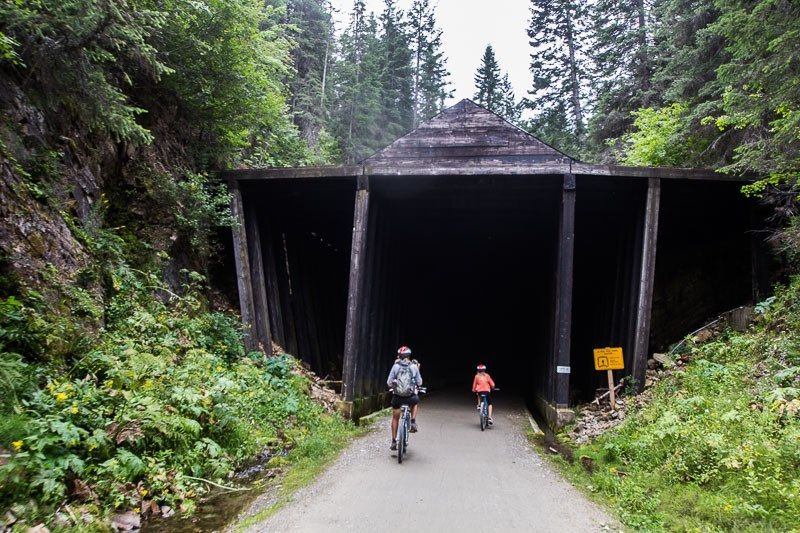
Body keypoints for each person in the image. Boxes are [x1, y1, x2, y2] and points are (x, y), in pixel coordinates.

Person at [386, 345, 423, 450]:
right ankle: (413, 421)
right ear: (409, 356)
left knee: (395, 418)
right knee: (415, 402)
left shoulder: (395, 367)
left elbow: (388, 383)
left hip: (397, 397)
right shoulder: (414, 367)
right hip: (410, 397)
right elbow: (419, 382)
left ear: (399, 356)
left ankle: (393, 442)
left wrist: (394, 385)